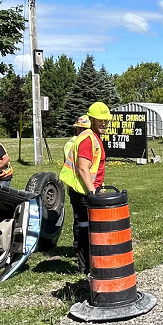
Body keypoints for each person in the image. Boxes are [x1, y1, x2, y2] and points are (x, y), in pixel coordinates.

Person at [58, 102, 113, 274]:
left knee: (85, 227)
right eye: (100, 120)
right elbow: (83, 168)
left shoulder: (93, 137)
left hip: (84, 190)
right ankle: (88, 267)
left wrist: (98, 187)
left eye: (106, 120)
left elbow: (92, 169)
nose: (104, 123)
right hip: (82, 192)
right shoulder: (88, 139)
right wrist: (92, 192)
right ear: (92, 120)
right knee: (88, 229)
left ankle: (86, 266)